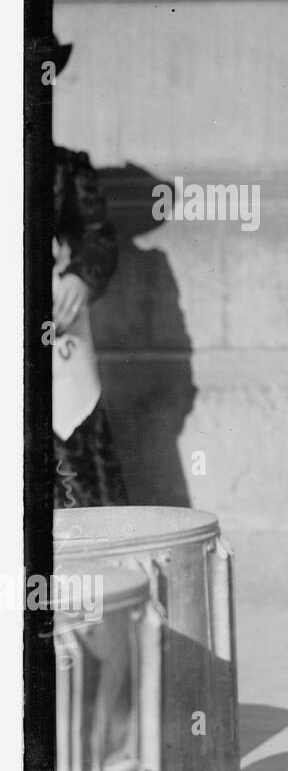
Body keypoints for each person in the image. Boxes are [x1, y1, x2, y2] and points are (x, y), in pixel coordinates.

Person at [47, 37, 129, 510]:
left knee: (73, 467)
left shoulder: (65, 168)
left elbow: (98, 238)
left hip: (56, 339)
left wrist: (79, 276)